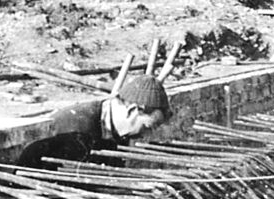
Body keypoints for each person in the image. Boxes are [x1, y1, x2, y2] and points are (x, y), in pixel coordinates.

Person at [14, 72, 172, 168]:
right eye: (147, 126)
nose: (147, 135)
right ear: (132, 110)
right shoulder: (76, 127)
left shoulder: (119, 130)